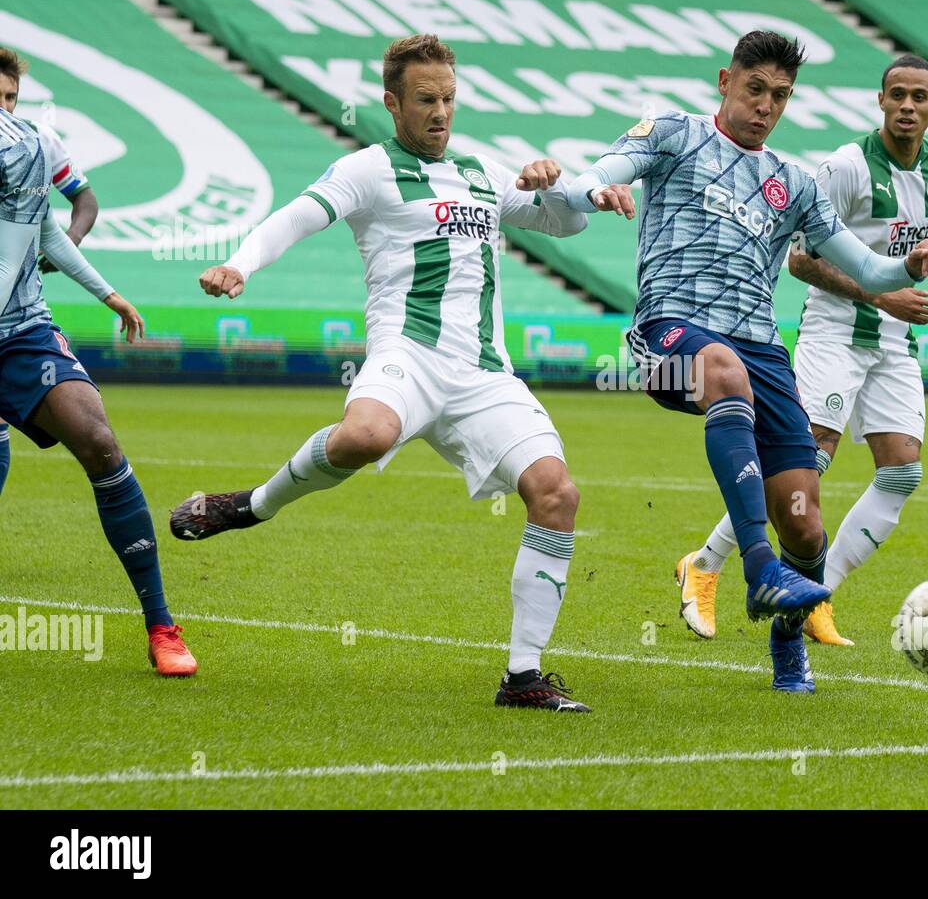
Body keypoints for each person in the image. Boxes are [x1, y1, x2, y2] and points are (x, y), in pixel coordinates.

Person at [168, 35, 630, 712]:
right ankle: (252, 506)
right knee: (366, 436)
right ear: (392, 103)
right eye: (425, 100)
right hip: (406, 356)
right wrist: (241, 264)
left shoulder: (480, 168)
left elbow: (562, 225)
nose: (440, 112)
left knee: (556, 493)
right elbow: (295, 219)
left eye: (447, 98)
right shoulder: (367, 169)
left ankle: (522, 678)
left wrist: (560, 185)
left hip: (482, 374)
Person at [562, 32, 928, 692]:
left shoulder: (794, 182)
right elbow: (595, 175)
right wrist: (591, 194)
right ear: (726, 81)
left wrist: (910, 266)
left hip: (761, 354)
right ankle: (753, 566)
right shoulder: (671, 133)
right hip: (669, 341)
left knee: (803, 519)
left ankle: (786, 641)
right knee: (723, 370)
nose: (766, 106)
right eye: (755, 90)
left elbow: (864, 266)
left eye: (780, 96)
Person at [677, 54, 928, 648]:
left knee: (903, 470)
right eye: (897, 95)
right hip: (835, 331)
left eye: (919, 97)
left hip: (893, 340)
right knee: (806, 463)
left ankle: (815, 595)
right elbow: (801, 258)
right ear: (880, 101)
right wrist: (881, 298)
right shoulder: (847, 167)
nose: (907, 106)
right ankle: (704, 563)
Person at [0, 108, 194, 675]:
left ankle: (161, 626)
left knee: (99, 440)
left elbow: (46, 229)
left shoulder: (29, 146)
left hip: (20, 332)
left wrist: (106, 293)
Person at [0, 46, 105, 496]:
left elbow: (85, 200)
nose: (4, 106)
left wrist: (67, 243)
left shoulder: (38, 143)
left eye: (11, 97)